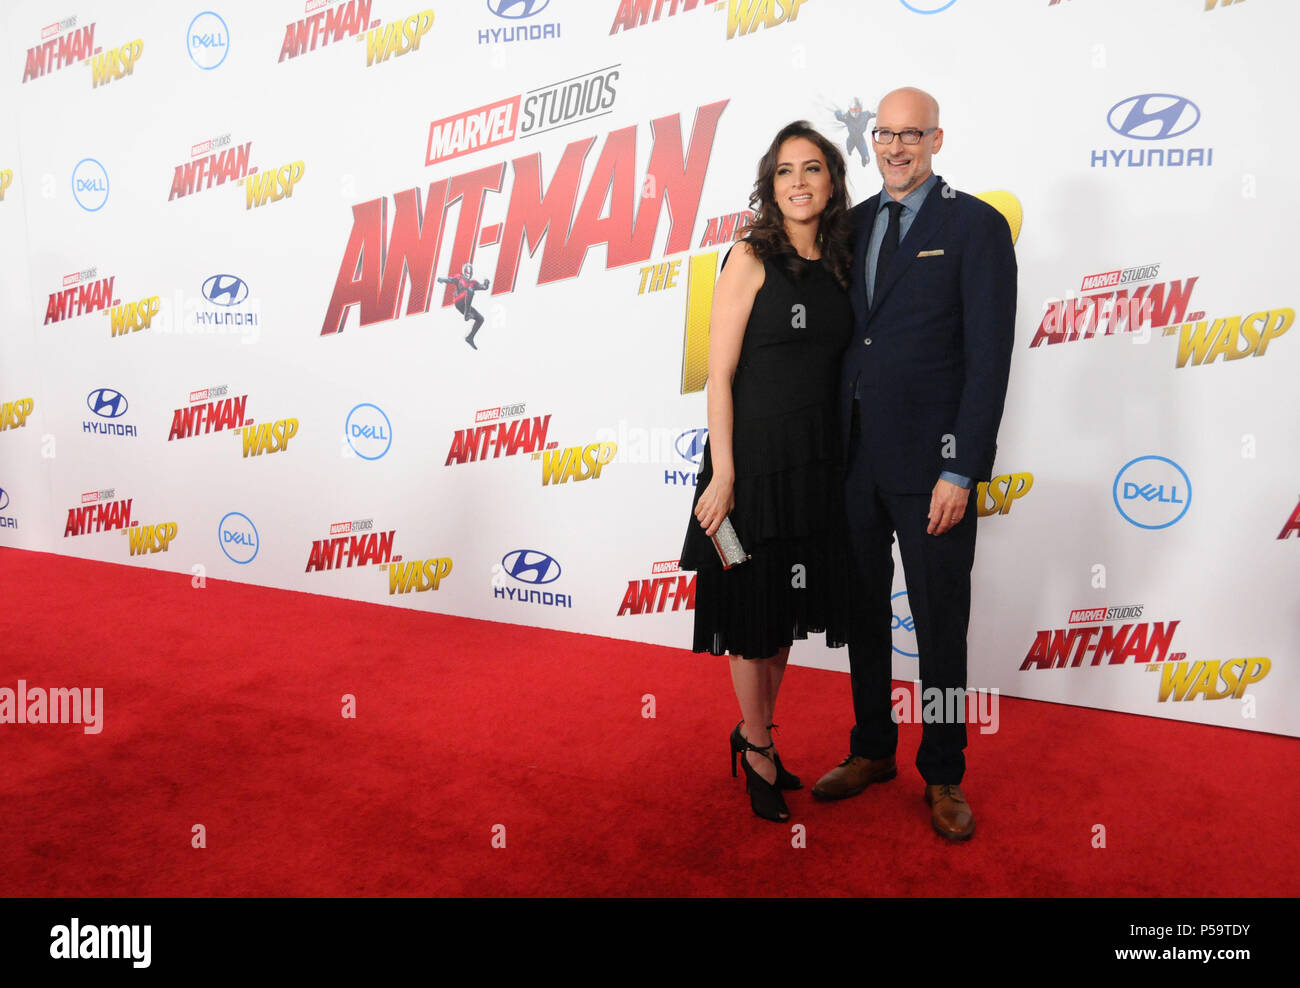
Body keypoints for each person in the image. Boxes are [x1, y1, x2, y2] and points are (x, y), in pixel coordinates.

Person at [811, 87, 1017, 841]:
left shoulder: (975, 226)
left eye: (912, 135)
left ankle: (944, 772)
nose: (896, 147)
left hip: (934, 471)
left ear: (937, 139)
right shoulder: (854, 223)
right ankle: (871, 750)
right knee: (864, 614)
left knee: (939, 626)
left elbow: (988, 359)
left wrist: (960, 470)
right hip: (855, 463)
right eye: (885, 134)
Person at [680, 122, 854, 823]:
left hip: (813, 466)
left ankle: (761, 735)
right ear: (769, 183)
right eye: (785, 171)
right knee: (750, 616)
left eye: (812, 169)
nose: (799, 182)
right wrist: (723, 476)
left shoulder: (842, 261)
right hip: (748, 467)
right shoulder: (750, 257)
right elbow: (718, 376)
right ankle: (755, 746)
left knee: (782, 617)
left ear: (833, 181)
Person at [436, 263, 489, 349]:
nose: (469, 273)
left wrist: (486, 284)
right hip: (459, 301)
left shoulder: (473, 283)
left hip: (465, 305)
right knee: (470, 291)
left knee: (480, 319)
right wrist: (442, 279)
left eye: (470, 272)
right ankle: (467, 313)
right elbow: (451, 280)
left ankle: (470, 337)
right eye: (467, 271)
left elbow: (483, 287)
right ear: (464, 271)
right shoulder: (459, 278)